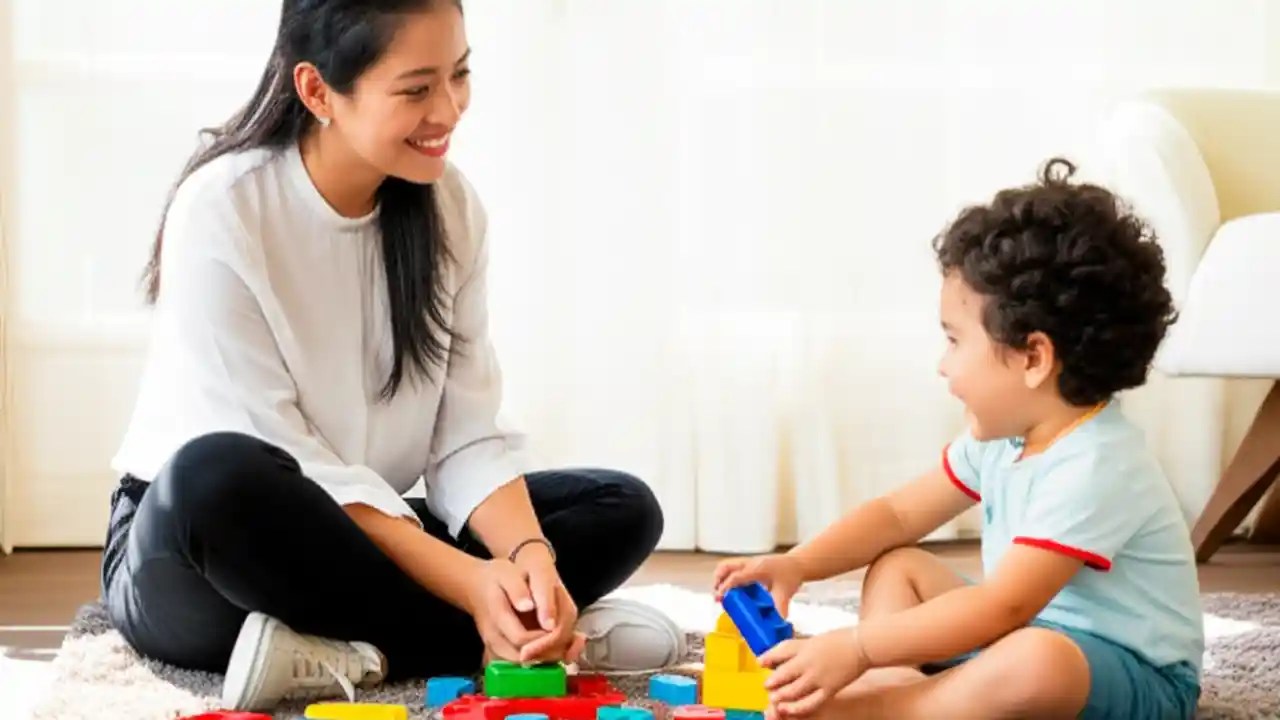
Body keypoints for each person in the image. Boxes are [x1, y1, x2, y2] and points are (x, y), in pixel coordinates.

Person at [100, 0, 683, 711]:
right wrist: (471, 583)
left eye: (459, 75)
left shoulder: (450, 209)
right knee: (215, 475)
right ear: (317, 91)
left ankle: (370, 647)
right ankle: (494, 633)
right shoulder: (225, 207)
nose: (449, 109)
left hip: (358, 534)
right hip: (200, 551)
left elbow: (467, 435)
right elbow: (285, 458)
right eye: (415, 89)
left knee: (620, 508)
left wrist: (531, 565)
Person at [714, 159, 1203, 720]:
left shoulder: (1097, 464)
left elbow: (1003, 605)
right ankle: (899, 687)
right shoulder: (1006, 437)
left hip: (1134, 678)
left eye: (954, 340)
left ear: (1033, 357)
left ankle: (894, 707)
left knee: (1037, 660)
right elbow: (898, 515)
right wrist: (798, 564)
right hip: (1022, 633)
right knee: (899, 565)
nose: (943, 366)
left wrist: (856, 648)